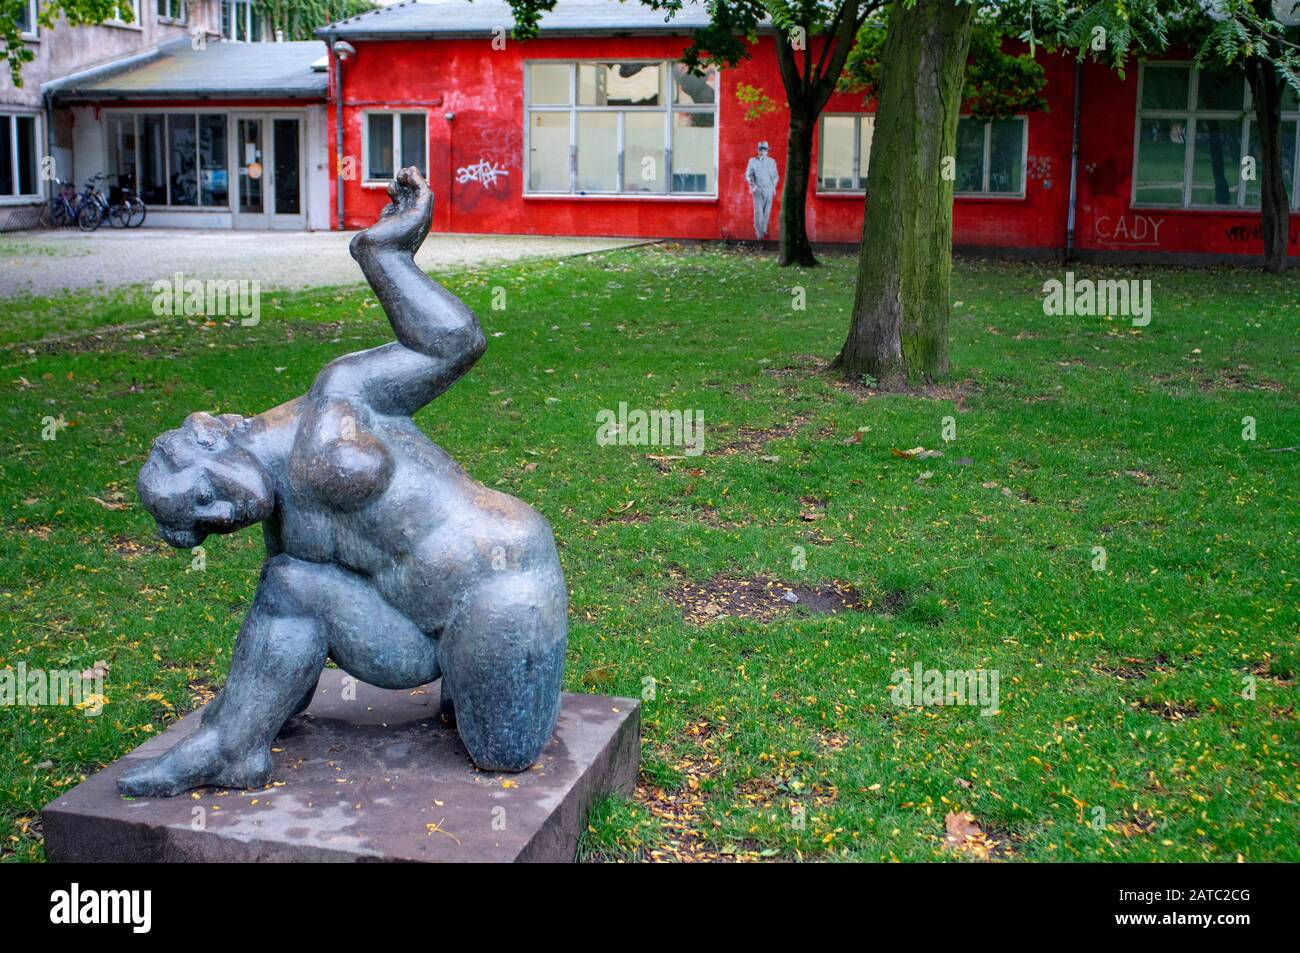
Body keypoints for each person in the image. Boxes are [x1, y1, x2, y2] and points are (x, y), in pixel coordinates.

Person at [120, 168, 568, 797]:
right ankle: (234, 750)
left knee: (503, 756)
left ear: (210, 436)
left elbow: (457, 342)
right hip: (413, 630)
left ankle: (463, 690)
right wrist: (252, 712)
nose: (216, 516)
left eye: (202, 495)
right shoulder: (278, 522)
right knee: (287, 583)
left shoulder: (341, 394)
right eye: (200, 523)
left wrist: (383, 255)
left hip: (501, 590)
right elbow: (288, 624)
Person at [745, 141, 780, 241]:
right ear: (758, 150)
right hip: (758, 189)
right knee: (758, 212)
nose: (762, 152)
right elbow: (748, 175)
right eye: (760, 150)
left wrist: (773, 187)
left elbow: (776, 176)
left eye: (764, 150)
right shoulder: (752, 161)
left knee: (766, 211)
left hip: (769, 189)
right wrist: (753, 185)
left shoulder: (771, 162)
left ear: (767, 151)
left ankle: (763, 229)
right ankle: (758, 234)